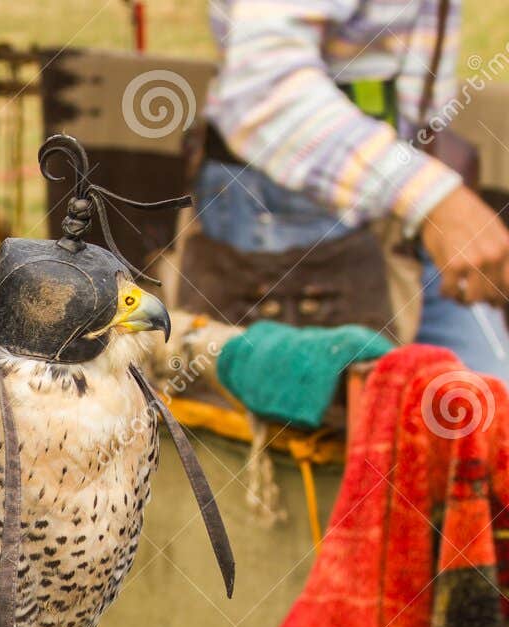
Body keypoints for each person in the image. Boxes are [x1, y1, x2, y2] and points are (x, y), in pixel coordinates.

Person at [199, 0, 509, 378]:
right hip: (296, 220)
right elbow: (262, 86)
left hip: (402, 198)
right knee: (331, 415)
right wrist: (434, 198)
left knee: (485, 404)